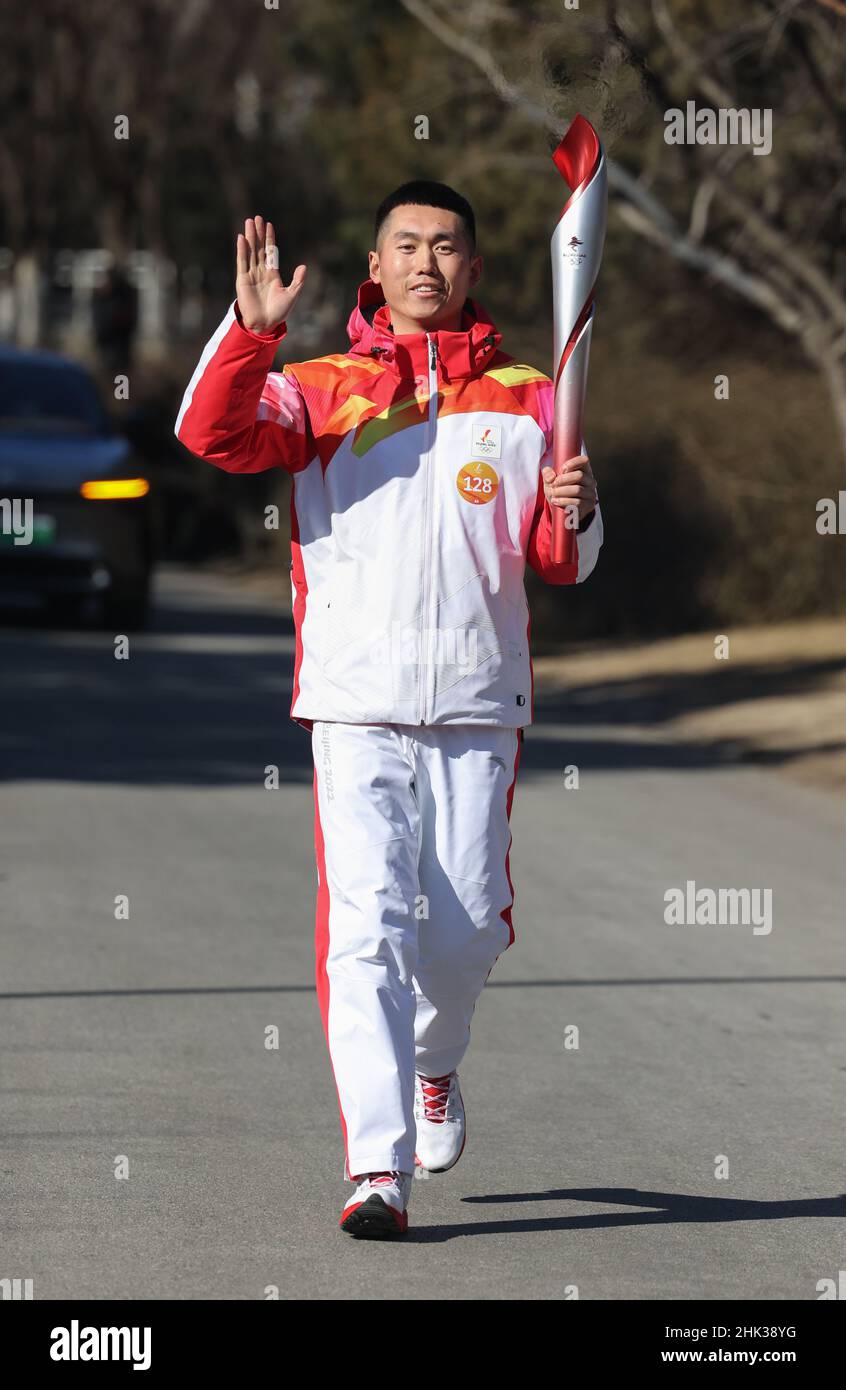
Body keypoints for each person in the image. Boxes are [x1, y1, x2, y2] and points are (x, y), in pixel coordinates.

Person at [174, 184, 603, 1240]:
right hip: (356, 702)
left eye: (446, 246)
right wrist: (249, 335)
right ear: (376, 264)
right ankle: (378, 1167)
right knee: (366, 929)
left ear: (474, 268)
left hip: (474, 698)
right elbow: (207, 433)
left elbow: (566, 560)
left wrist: (576, 510)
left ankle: (432, 1066)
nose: (426, 262)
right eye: (406, 244)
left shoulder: (530, 396)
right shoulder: (317, 389)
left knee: (461, 935)